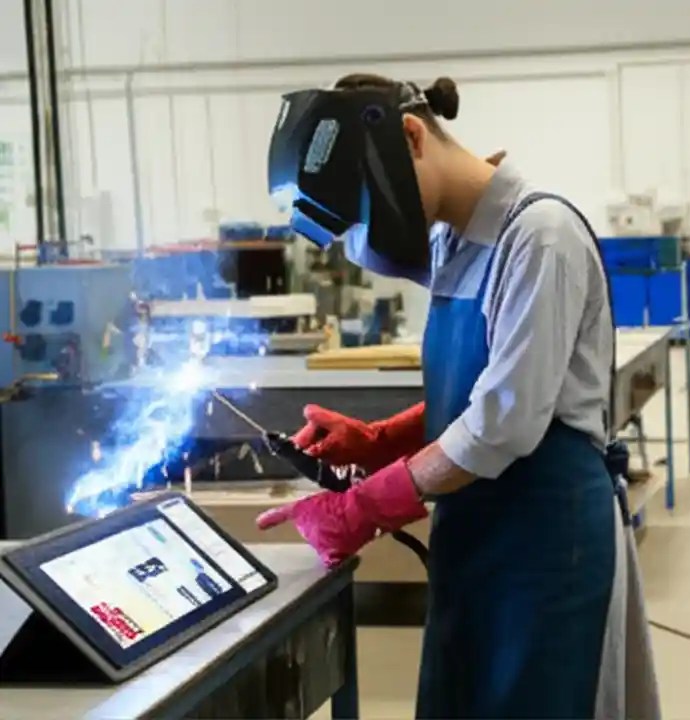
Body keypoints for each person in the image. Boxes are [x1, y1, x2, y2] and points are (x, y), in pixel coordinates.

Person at [258, 74, 660, 720]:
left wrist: (366, 506)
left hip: (548, 546)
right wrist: (384, 439)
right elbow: (481, 393)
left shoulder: (540, 235)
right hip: (473, 534)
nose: (366, 237)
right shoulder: (454, 242)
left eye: (364, 207)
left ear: (411, 137)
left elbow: (507, 421)